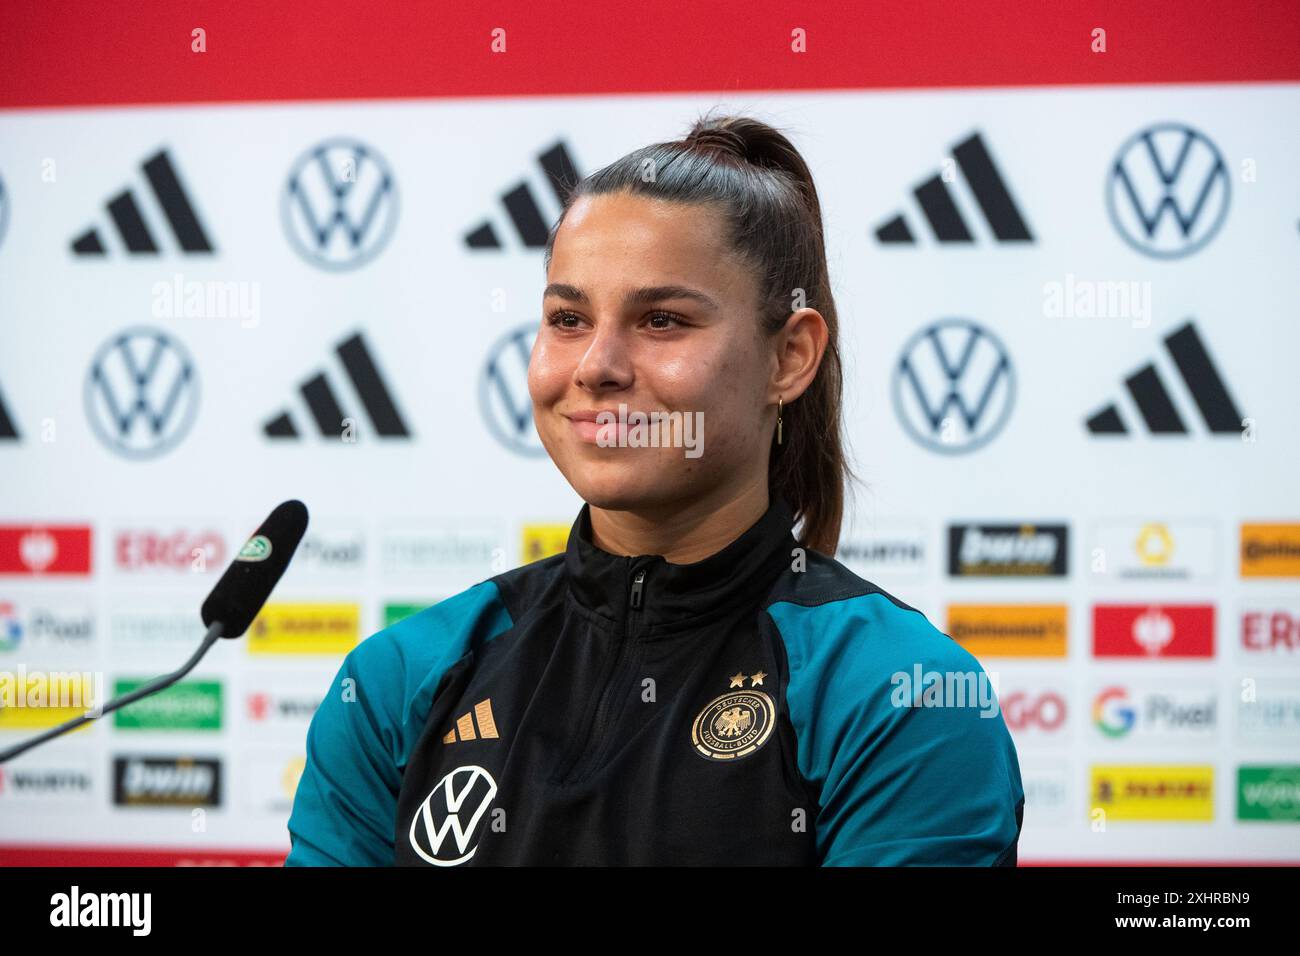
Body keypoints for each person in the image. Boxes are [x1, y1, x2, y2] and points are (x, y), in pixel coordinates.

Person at [285, 112, 1024, 866]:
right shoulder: (400, 679)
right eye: (568, 318)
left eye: (662, 320)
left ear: (789, 358)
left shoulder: (903, 695)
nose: (596, 366)